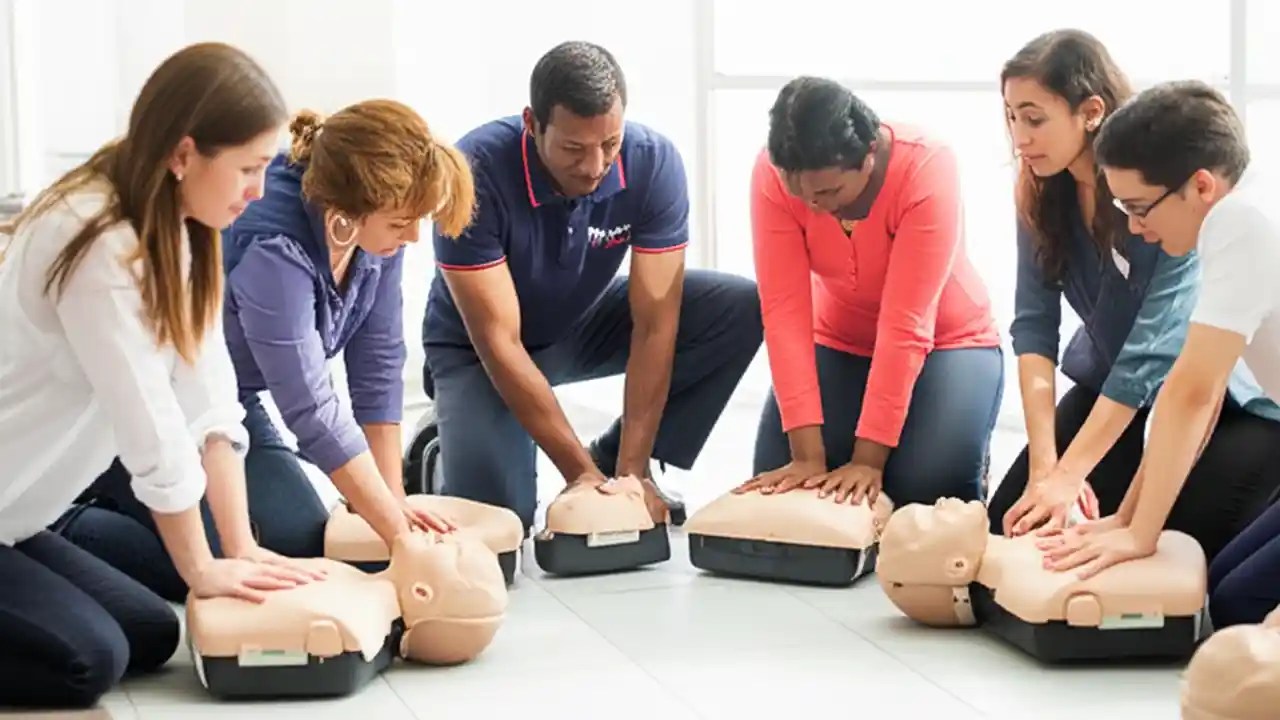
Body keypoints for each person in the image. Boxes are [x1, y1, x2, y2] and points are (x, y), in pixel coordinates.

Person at [0, 42, 319, 709]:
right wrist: (201, 568)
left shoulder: (179, 222)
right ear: (183, 154)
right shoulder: (95, 238)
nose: (260, 191)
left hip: (22, 512)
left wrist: (241, 548)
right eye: (248, 169)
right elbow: (151, 426)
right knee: (87, 662)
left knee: (149, 635)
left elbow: (210, 403)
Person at [63, 99, 476, 601]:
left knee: (298, 539)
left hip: (228, 405)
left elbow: (379, 367)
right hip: (146, 406)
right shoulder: (273, 244)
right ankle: (69, 513)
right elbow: (309, 406)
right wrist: (401, 537)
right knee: (203, 564)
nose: (413, 236)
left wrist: (394, 501)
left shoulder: (377, 230)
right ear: (348, 210)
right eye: (402, 222)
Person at [422, 41, 763, 531]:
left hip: (582, 321)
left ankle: (618, 456)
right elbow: (499, 342)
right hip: (478, 350)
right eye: (573, 149)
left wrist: (628, 476)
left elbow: (655, 324)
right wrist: (580, 476)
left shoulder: (653, 162)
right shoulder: (472, 172)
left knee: (737, 308)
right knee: (502, 520)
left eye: (610, 144)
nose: (594, 166)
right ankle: (440, 446)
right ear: (532, 123)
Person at [990, 30, 1280, 563]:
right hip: (1130, 390)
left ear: (1091, 112)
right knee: (1013, 527)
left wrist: (1125, 520)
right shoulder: (1047, 193)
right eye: (1010, 117)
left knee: (1189, 560)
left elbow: (1180, 378)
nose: (1019, 138)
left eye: (1034, 118)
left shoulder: (1180, 206)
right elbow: (1033, 325)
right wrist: (1047, 469)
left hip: (1228, 404)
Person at [1040, 81, 1280, 628]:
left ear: (1201, 185)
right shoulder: (1231, 219)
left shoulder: (1239, 224)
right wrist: (1126, 519)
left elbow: (1190, 396)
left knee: (1242, 605)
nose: (1132, 225)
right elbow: (1200, 392)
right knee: (1226, 588)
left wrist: (1141, 535)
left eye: (1139, 205)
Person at [734, 76, 1004, 508]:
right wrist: (806, 456)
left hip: (948, 341)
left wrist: (868, 460)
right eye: (798, 193)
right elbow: (784, 311)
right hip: (840, 339)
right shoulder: (772, 173)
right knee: (783, 480)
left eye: (828, 192)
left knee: (923, 489)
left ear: (869, 155)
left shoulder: (926, 166)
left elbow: (906, 325)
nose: (813, 205)